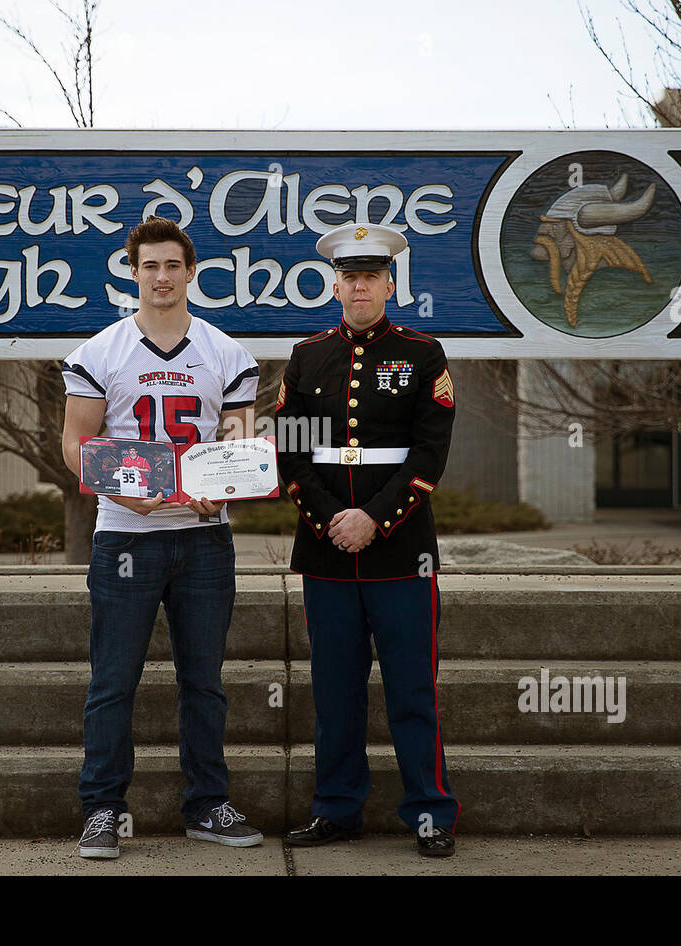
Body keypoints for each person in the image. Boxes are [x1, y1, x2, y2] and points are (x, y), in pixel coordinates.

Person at [61, 216, 262, 859]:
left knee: (203, 680)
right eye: (150, 265)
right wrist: (120, 490)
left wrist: (223, 486)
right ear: (133, 271)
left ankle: (207, 804)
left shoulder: (227, 353)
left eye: (173, 265)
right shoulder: (101, 352)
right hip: (126, 536)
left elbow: (238, 445)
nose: (162, 276)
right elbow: (76, 442)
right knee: (113, 680)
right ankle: (103, 808)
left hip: (203, 537)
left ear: (191, 272)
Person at [277, 222, 461, 858]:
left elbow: (430, 457)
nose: (360, 286)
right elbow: (291, 456)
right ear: (336, 285)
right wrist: (334, 519)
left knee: (413, 689)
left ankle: (431, 812)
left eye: (371, 277)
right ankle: (337, 809)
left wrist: (374, 520)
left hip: (400, 551)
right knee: (334, 692)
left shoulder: (422, 354)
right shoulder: (307, 358)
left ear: (389, 284)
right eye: (349, 277)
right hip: (326, 552)